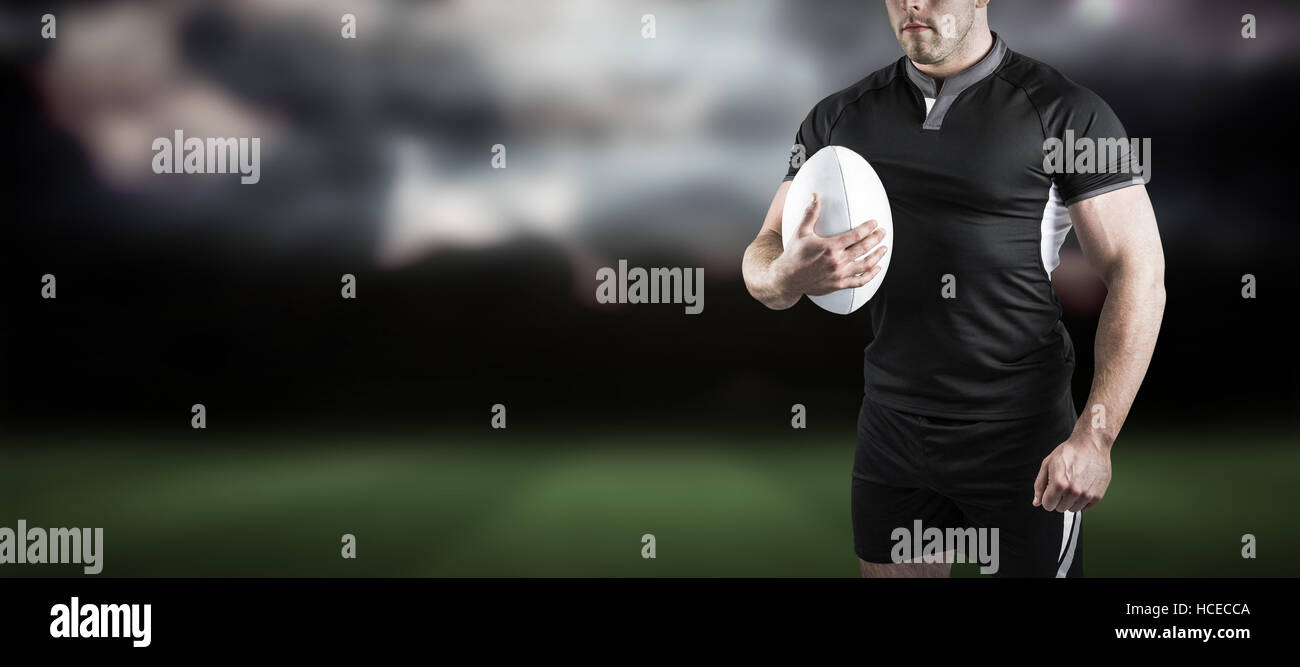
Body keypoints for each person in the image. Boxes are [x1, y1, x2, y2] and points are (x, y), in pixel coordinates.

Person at [741, 0, 1165, 577]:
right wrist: (785, 275)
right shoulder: (839, 119)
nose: (912, 3)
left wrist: (1095, 437)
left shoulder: (1066, 113)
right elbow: (764, 252)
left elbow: (1138, 271)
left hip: (1022, 434)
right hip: (892, 425)